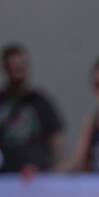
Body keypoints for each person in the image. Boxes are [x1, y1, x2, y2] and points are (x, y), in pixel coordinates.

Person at [0, 44, 64, 174]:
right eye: (13, 66)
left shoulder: (40, 101)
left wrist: (57, 172)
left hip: (38, 178)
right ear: (5, 69)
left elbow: (56, 141)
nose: (17, 70)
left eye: (21, 66)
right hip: (5, 179)